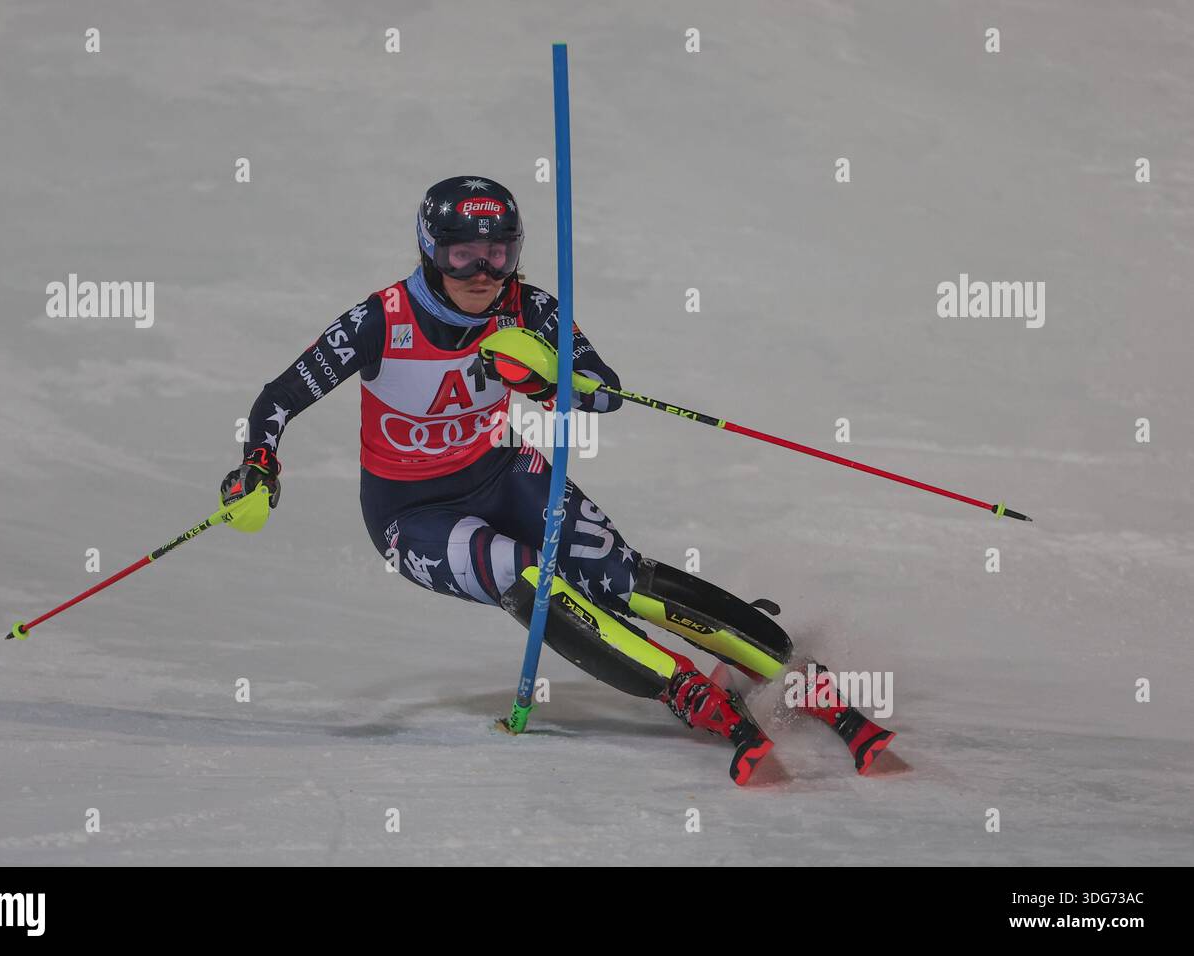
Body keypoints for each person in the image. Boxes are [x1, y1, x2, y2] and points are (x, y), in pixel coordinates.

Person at [221, 176, 891, 784]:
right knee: (526, 577)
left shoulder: (527, 307)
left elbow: (606, 393)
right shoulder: (382, 319)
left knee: (620, 577)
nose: (484, 273)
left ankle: (785, 668)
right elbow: (278, 396)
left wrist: (553, 376)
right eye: (464, 256)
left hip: (502, 472)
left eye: (500, 254)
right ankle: (687, 692)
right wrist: (259, 465)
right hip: (411, 514)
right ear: (432, 250)